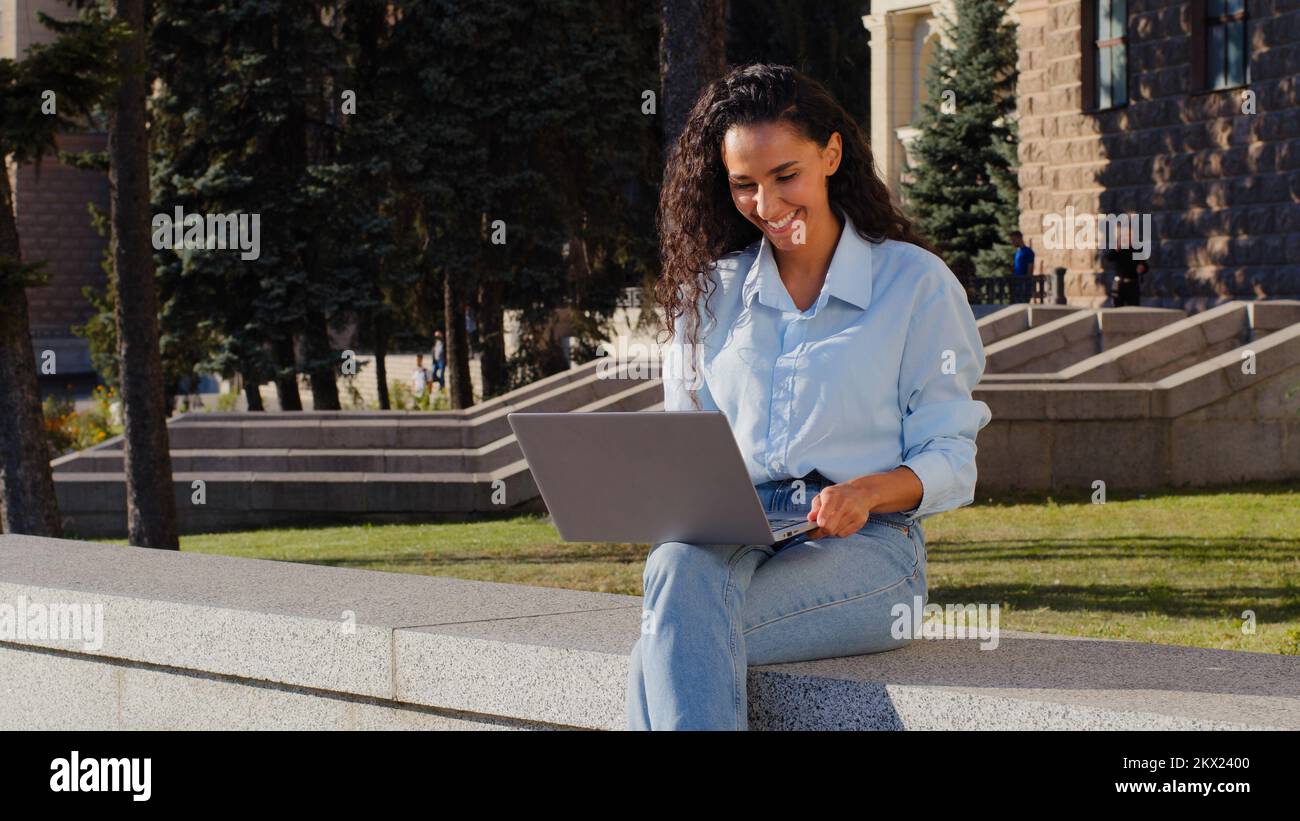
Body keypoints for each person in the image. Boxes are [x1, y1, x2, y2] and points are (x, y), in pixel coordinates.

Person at [628, 64, 991, 731]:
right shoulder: (711, 293)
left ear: (830, 154)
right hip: (735, 533)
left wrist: (868, 491)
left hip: (869, 548)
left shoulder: (915, 285)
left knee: (669, 633)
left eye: (785, 175)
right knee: (677, 570)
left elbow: (951, 456)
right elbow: (688, 442)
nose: (766, 205)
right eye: (744, 184)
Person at [1105, 224, 1147, 307]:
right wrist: (1117, 247)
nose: (1128, 237)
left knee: (1134, 308)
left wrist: (1142, 268)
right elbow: (1109, 258)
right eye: (1126, 235)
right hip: (1119, 284)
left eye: (1130, 235)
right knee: (1117, 309)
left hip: (1133, 284)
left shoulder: (1137, 249)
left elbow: (1144, 265)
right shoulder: (1118, 249)